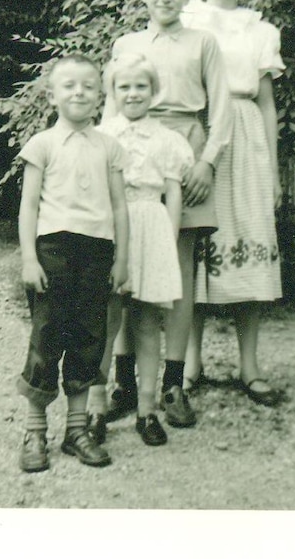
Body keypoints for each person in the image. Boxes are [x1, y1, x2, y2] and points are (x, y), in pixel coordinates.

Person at [102, 0, 232, 428]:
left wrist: (205, 162)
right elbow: (110, 107)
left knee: (176, 272)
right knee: (125, 267)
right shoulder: (127, 44)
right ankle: (123, 383)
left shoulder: (204, 43)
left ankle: (173, 384)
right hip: (131, 155)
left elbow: (223, 110)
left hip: (184, 153)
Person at [182, 0, 285, 406]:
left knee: (247, 243)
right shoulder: (187, 19)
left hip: (246, 143)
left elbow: (266, 104)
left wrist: (274, 171)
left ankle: (249, 366)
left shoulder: (260, 30)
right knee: (198, 247)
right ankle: (189, 363)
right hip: (201, 134)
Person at [15, 54, 129, 472]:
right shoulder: (42, 145)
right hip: (53, 251)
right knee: (47, 338)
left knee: (88, 338)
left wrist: (123, 260)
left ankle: (76, 431)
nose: (79, 92)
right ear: (51, 95)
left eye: (88, 85)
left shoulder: (109, 146)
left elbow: (120, 207)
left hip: (97, 252)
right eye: (69, 85)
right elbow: (28, 207)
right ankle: (35, 431)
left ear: (101, 95)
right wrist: (29, 257)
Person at [87, 53, 194, 446]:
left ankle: (147, 410)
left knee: (148, 323)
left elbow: (174, 194)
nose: (133, 94)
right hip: (112, 229)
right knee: (107, 320)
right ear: (111, 92)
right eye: (124, 87)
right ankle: (97, 409)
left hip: (151, 227)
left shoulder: (168, 140)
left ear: (154, 91)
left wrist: (169, 237)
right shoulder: (100, 136)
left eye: (141, 86)